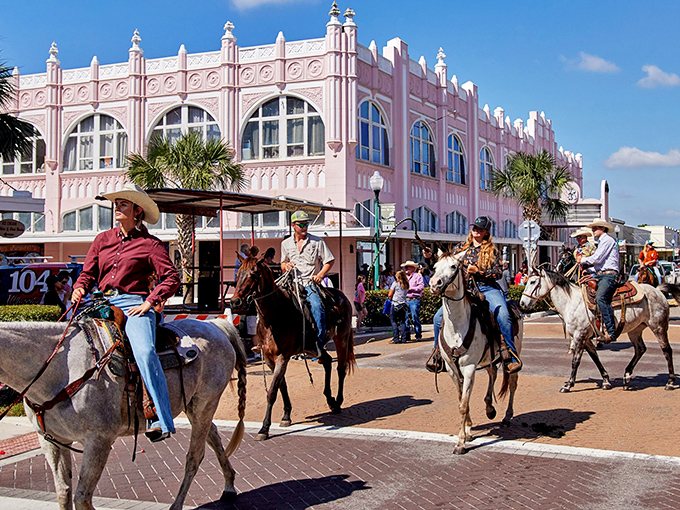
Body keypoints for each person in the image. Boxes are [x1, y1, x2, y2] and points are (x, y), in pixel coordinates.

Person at [71, 183, 181, 442]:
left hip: (134, 304)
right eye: (116, 203)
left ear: (137, 211)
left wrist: (150, 302)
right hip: (101, 303)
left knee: (144, 351)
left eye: (123, 204)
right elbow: (87, 273)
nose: (117, 208)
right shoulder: (102, 240)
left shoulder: (150, 244)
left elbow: (172, 277)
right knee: (68, 342)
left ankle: (158, 417)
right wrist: (79, 287)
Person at [454, 216, 522, 373]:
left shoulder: (493, 251)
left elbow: (498, 273)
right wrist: (429, 255)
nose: (475, 230)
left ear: (485, 232)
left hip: (487, 289)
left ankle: (510, 355)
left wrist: (479, 272)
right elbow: (447, 262)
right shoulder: (460, 248)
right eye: (474, 228)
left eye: (479, 229)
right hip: (465, 290)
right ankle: (438, 355)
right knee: (438, 318)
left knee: (503, 315)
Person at [280, 210, 335, 355]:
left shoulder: (318, 242)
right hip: (292, 284)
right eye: (301, 224)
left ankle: (319, 343)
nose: (305, 227)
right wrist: (286, 266)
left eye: (306, 224)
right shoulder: (285, 244)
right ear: (293, 225)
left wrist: (320, 275)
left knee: (317, 307)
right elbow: (282, 263)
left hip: (309, 284)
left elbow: (329, 260)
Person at [575, 218, 621, 343]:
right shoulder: (601, 242)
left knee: (600, 298)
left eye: (596, 228)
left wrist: (582, 260)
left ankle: (611, 331)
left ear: (603, 228)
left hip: (609, 276)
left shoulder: (607, 240)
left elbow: (597, 258)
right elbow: (599, 264)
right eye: (593, 228)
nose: (593, 230)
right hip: (600, 274)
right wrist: (589, 271)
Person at [401, 260, 424, 341]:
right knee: (405, 318)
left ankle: (418, 335)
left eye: (408, 267)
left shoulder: (418, 276)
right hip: (405, 299)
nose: (406, 269)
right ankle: (407, 336)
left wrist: (411, 289)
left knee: (415, 317)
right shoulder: (404, 277)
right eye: (406, 267)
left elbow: (421, 287)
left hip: (414, 299)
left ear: (413, 268)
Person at [388, 270, 410, 343]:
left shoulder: (395, 283)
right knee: (402, 321)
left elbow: (390, 294)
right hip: (403, 304)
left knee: (394, 321)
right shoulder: (406, 284)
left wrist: (390, 298)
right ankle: (403, 338)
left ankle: (396, 338)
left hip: (395, 304)